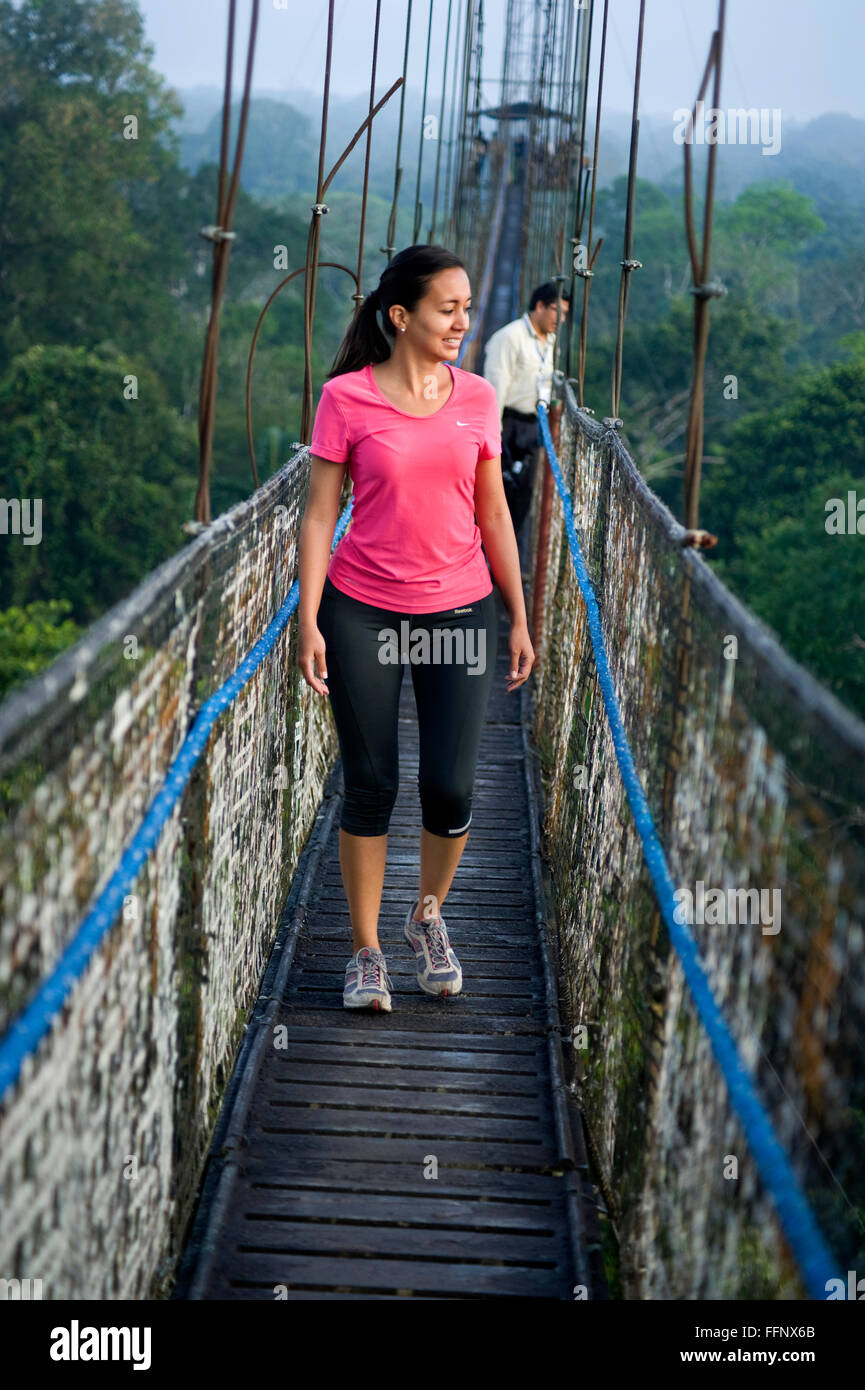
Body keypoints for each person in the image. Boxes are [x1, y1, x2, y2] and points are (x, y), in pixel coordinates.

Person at [296, 244, 536, 1013]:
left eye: (467, 308)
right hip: (361, 607)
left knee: (449, 784)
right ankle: (365, 952)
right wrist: (307, 618)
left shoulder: (475, 397)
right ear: (400, 316)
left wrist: (518, 613)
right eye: (448, 308)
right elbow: (319, 513)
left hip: (459, 608)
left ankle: (427, 916)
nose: (463, 322)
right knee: (371, 784)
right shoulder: (345, 399)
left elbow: (493, 509)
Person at [482, 283, 569, 539]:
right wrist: (494, 440)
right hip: (507, 425)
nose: (561, 319)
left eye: (565, 314)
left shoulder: (550, 341)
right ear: (539, 306)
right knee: (495, 498)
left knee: (522, 498)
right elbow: (495, 388)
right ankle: (483, 563)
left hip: (533, 428)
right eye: (556, 311)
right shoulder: (509, 338)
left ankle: (505, 569)